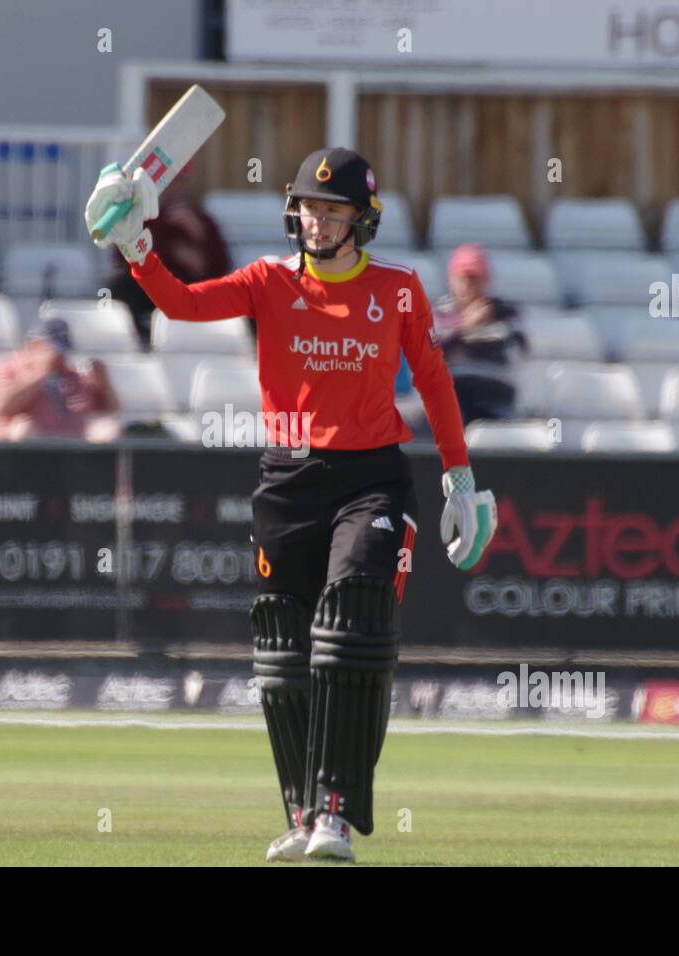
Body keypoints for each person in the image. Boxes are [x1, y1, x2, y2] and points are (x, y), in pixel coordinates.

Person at [85, 147, 498, 863]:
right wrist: (136, 246)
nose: (317, 221)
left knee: (350, 629)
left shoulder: (398, 288)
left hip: (370, 478)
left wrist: (459, 478)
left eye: (333, 210)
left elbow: (433, 380)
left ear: (360, 221)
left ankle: (336, 814)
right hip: (286, 481)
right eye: (309, 207)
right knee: (283, 652)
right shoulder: (268, 282)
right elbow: (183, 303)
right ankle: (303, 812)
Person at [102, 161, 232, 345]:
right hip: (149, 289)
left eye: (180, 181)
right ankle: (139, 340)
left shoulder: (202, 220)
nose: (174, 188)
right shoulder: (139, 218)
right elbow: (122, 258)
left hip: (188, 290)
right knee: (119, 284)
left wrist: (200, 240)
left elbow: (221, 267)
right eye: (168, 181)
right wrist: (162, 259)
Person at [432, 244, 529, 423]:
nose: (469, 285)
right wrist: (464, 326)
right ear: (451, 280)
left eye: (475, 278)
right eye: (463, 278)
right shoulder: (440, 311)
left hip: (494, 394)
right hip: (451, 393)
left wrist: (463, 347)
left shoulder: (506, 312)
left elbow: (517, 352)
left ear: (487, 279)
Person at [0, 318, 119, 441]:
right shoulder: (10, 368)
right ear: (33, 347)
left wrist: (104, 381)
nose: (60, 357)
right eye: (53, 351)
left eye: (63, 351)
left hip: (73, 444)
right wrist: (40, 375)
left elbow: (110, 409)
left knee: (107, 429)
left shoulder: (73, 375)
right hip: (25, 451)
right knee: (24, 428)